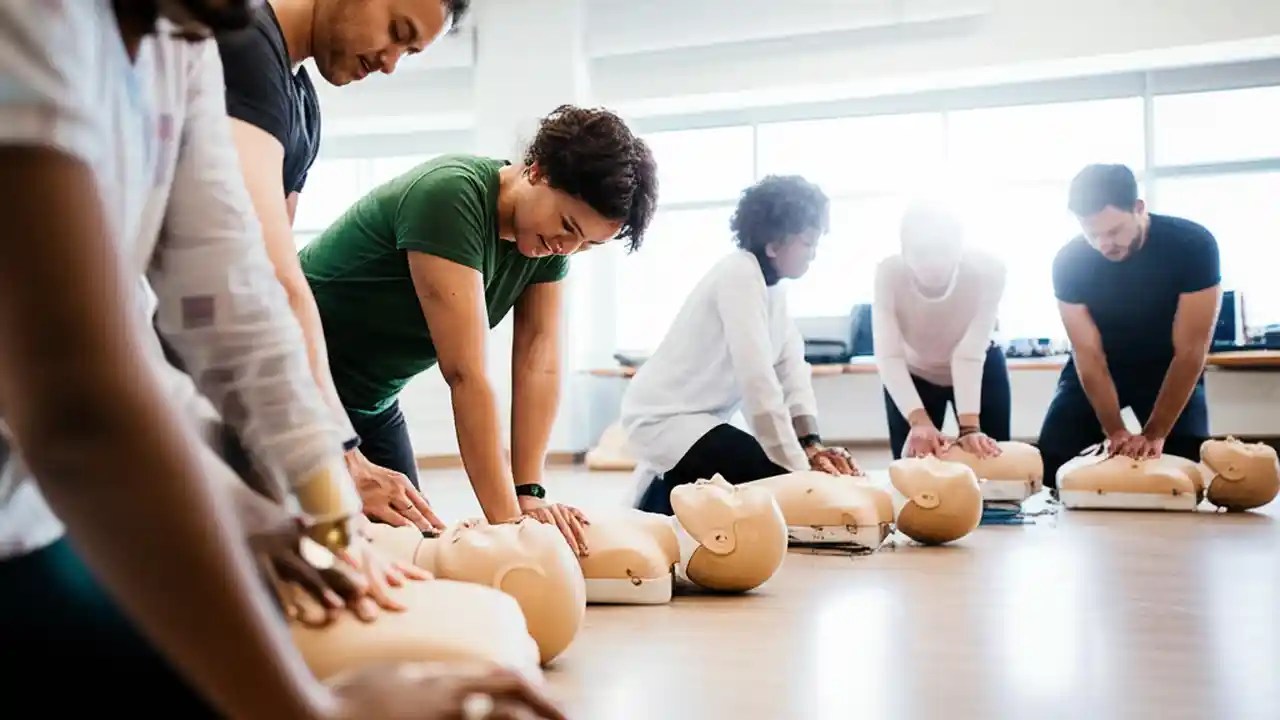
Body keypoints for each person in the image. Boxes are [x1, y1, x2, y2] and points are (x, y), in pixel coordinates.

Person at [0, 2, 562, 717]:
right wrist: (315, 711)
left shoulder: (190, 48)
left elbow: (236, 305)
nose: (392, 61)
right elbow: (75, 398)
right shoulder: (33, 19)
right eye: (395, 30)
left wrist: (310, 513)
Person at [298, 105, 658, 556]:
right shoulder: (451, 197)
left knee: (414, 549)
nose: (567, 247)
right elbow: (465, 374)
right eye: (567, 226)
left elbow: (538, 361)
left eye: (588, 243)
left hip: (370, 401)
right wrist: (509, 526)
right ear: (538, 170)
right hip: (293, 384)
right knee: (330, 551)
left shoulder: (551, 249)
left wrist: (529, 493)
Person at [217, 0, 470, 532]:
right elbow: (263, 274)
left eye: (409, 50)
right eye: (395, 33)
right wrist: (338, 450)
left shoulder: (303, 105)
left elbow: (271, 268)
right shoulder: (240, 42)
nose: (390, 62)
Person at [622, 175, 861, 516]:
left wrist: (812, 444)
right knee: (777, 483)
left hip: (701, 420)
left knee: (777, 477)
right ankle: (664, 495)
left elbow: (792, 371)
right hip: (663, 418)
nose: (814, 254)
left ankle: (668, 492)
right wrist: (800, 472)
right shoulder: (738, 275)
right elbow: (758, 381)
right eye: (808, 244)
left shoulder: (775, 289)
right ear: (774, 245)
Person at [1038, 164, 1221, 487]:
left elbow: (1191, 350)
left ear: (1139, 208)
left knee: (1185, 464)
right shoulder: (1069, 262)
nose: (1103, 244)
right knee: (1054, 453)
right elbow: (1088, 354)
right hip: (1104, 361)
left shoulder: (1193, 245)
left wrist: (1155, 433)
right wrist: (1116, 432)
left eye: (1113, 231)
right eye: (1091, 234)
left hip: (1167, 363)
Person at [873, 202, 1010, 460]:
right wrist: (919, 420)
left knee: (991, 464)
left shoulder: (989, 271)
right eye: (921, 252)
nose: (933, 263)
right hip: (915, 374)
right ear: (904, 251)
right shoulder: (888, 273)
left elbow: (968, 353)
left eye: (944, 250)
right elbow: (888, 355)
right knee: (914, 468)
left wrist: (970, 427)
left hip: (980, 369)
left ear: (960, 248)